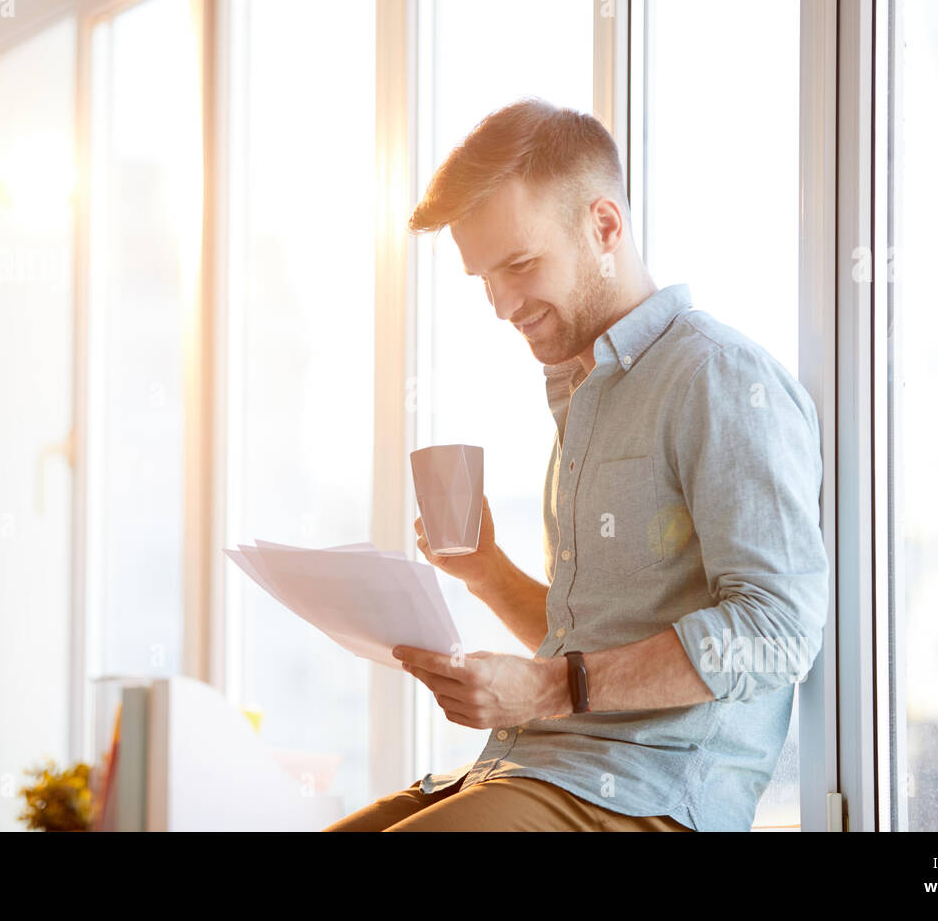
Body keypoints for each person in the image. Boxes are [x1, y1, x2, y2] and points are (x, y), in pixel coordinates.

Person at [324, 98, 829, 832]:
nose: (502, 304)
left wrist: (546, 689)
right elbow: (593, 647)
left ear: (605, 227)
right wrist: (487, 573)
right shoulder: (587, 393)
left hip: (645, 797)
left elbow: (778, 631)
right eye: (484, 279)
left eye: (519, 265)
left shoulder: (717, 377)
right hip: (532, 767)